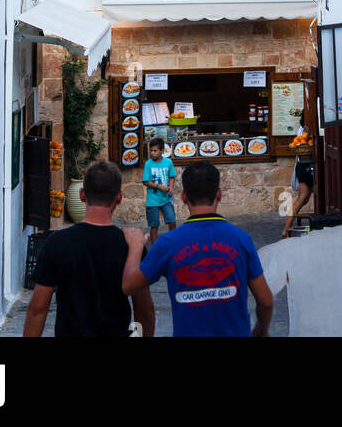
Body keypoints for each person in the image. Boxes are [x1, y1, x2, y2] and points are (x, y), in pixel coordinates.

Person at [123, 161, 274, 338]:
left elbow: (128, 285)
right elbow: (266, 301)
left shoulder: (168, 243)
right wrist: (261, 329)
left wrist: (136, 246)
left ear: (184, 197)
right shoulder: (241, 239)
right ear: (219, 194)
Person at [23, 160, 155, 338]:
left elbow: (37, 308)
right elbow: (144, 311)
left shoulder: (57, 243)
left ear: (82, 195)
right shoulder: (132, 246)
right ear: (119, 197)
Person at [142, 136, 177, 245]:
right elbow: (145, 181)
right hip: (152, 200)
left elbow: (172, 176)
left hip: (166, 199)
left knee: (172, 221)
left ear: (162, 151)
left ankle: (173, 244)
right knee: (154, 225)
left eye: (155, 151)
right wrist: (159, 186)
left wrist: (171, 187)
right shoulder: (148, 164)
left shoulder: (168, 162)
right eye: (151, 151)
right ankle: (154, 249)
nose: (152, 153)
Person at [282, 127, 315, 238]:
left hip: (304, 165)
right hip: (306, 165)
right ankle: (286, 229)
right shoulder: (306, 128)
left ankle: (287, 227)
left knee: (303, 199)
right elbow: (306, 141)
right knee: (302, 198)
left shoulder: (302, 129)